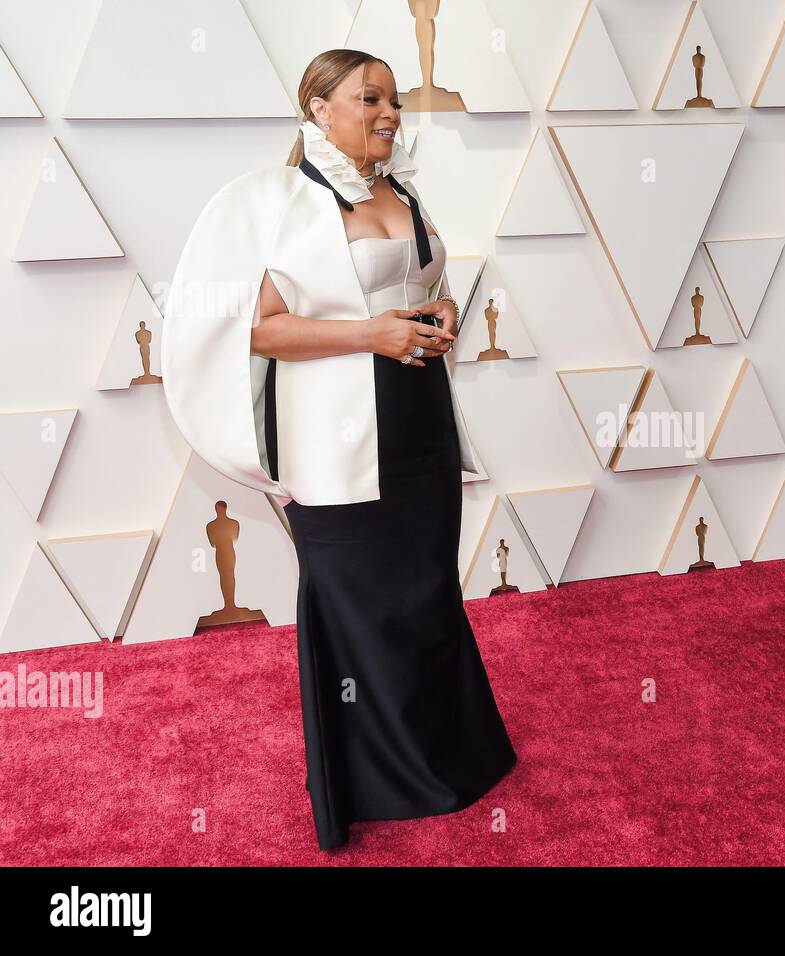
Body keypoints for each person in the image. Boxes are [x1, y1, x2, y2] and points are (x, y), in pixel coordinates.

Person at [161, 49, 516, 850]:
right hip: (337, 436)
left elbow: (423, 285)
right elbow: (259, 329)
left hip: (418, 413)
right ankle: (381, 780)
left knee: (426, 589)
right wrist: (370, 335)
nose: (390, 112)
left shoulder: (401, 191)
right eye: (370, 98)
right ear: (320, 108)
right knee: (363, 603)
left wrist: (444, 309)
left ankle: (451, 754)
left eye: (393, 100)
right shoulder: (283, 202)